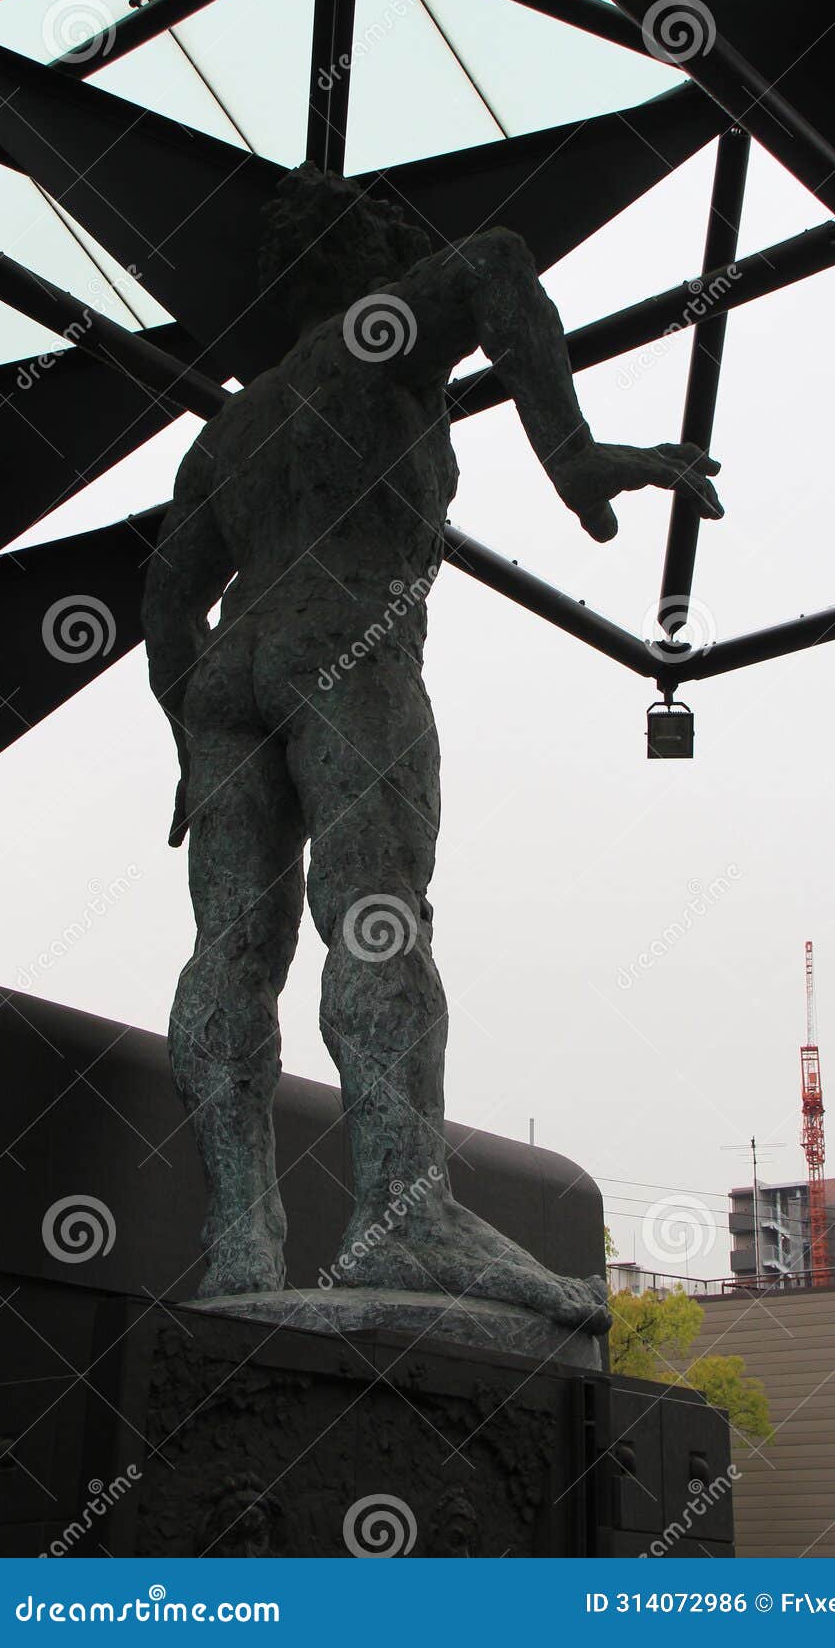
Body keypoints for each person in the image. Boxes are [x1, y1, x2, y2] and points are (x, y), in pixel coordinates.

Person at [142, 164, 722, 1332]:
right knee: (376, 913)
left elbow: (167, 590)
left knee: (230, 950)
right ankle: (400, 1211)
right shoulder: (372, 345)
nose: (408, 253)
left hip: (230, 676)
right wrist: (575, 457)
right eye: (391, 238)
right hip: (346, 645)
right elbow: (498, 262)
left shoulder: (230, 431)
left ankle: (240, 1239)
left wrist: (182, 722)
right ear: (356, 262)